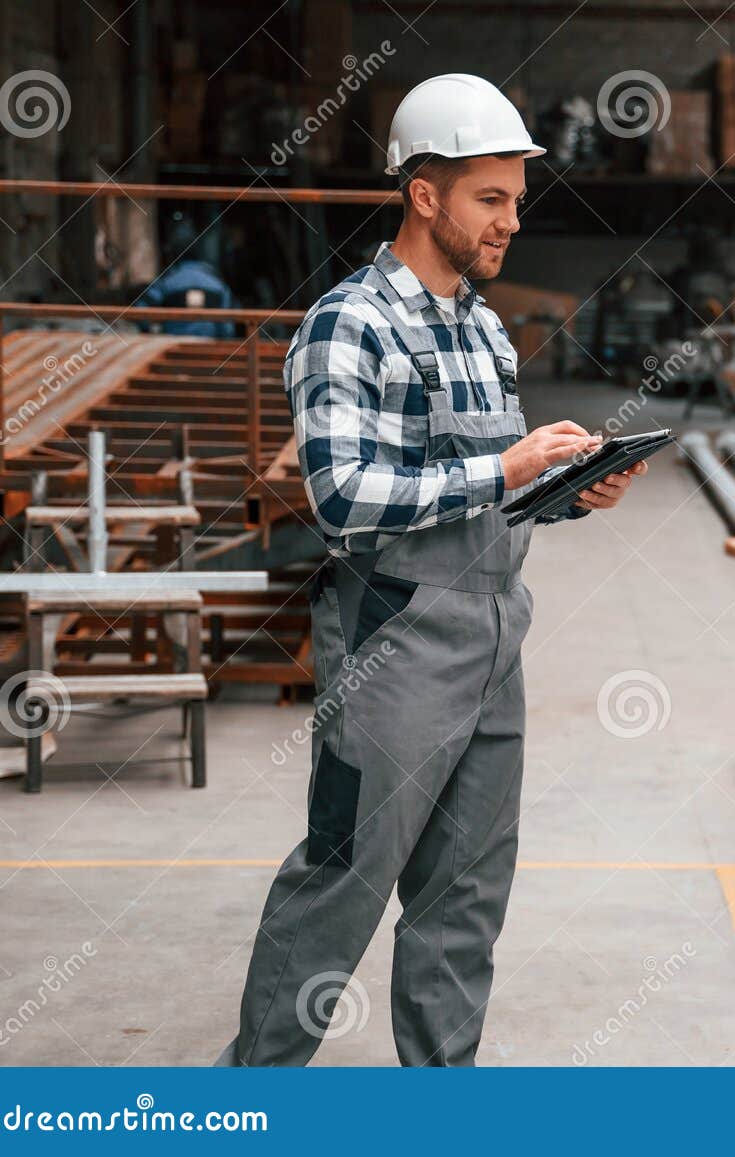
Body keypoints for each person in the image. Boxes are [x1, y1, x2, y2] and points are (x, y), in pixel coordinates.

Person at [216, 74, 646, 1066]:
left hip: (495, 633)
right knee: (341, 879)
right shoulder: (347, 324)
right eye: (488, 200)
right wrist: (504, 464)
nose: (509, 222)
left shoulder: (481, 326)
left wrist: (571, 488)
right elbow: (343, 498)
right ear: (424, 195)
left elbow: (490, 492)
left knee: (465, 894)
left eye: (514, 201)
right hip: (394, 638)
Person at [139, 215, 238, 338]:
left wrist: (155, 331)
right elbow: (227, 329)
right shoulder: (217, 284)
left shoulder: (167, 282)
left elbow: (141, 312)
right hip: (209, 350)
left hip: (172, 350)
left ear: (173, 254)